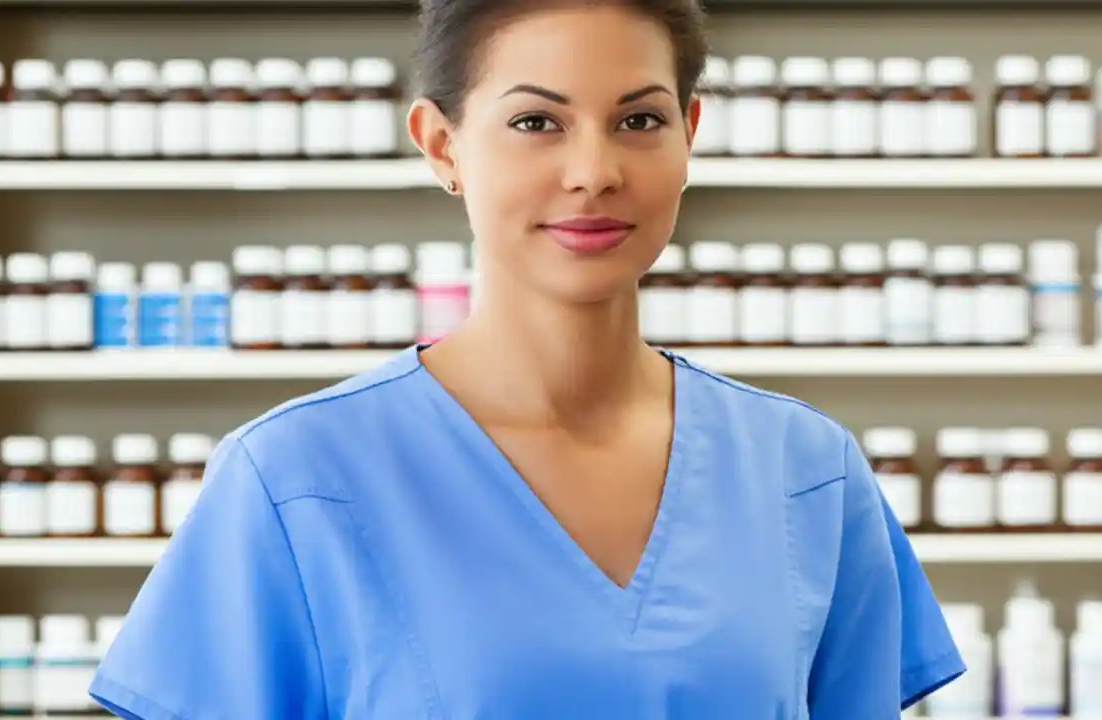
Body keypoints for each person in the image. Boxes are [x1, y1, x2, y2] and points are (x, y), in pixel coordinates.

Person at [89, 1, 965, 717]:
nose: (593, 170)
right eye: (536, 120)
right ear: (443, 146)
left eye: (639, 120)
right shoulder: (296, 478)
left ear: (689, 136)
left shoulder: (804, 469)